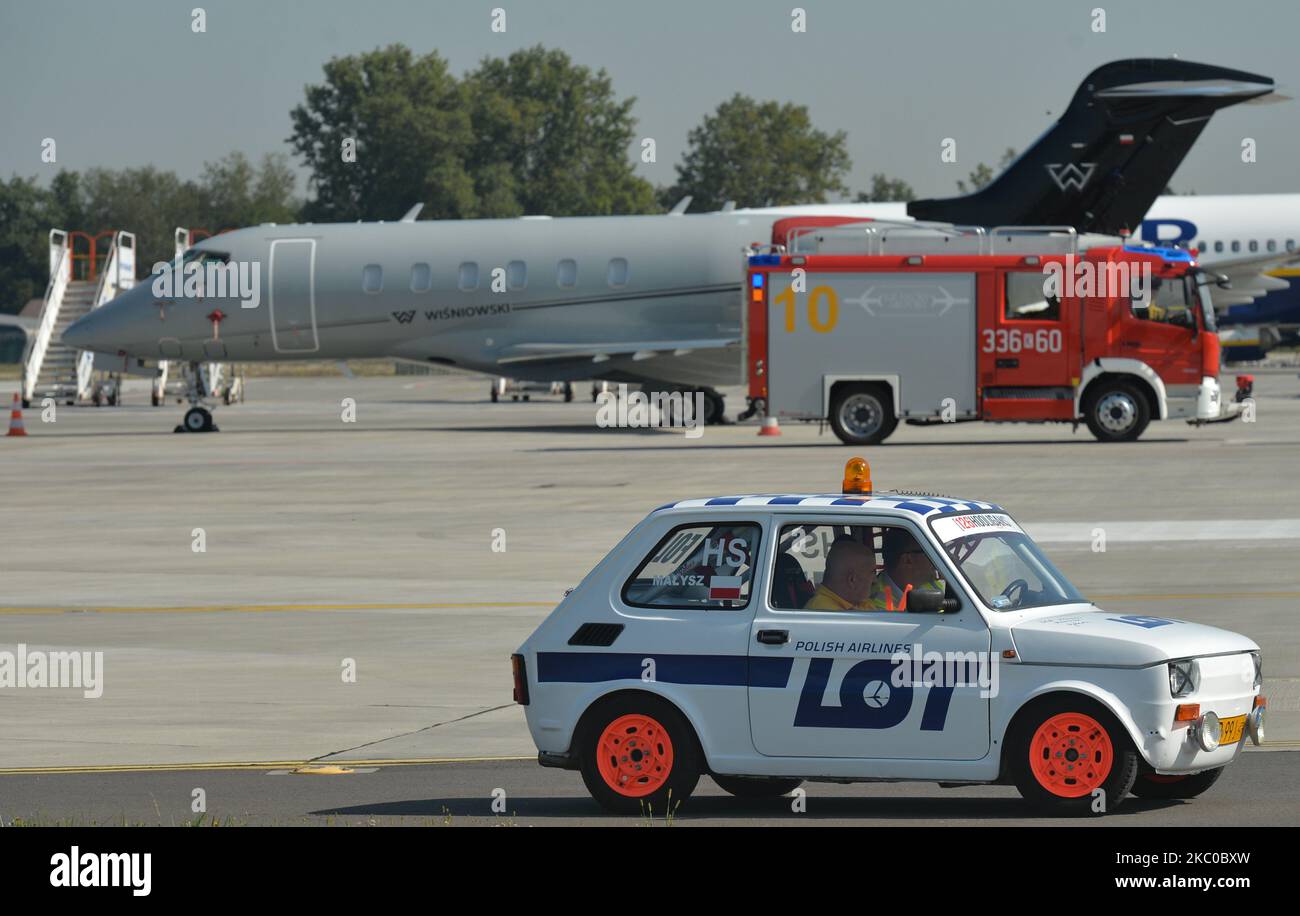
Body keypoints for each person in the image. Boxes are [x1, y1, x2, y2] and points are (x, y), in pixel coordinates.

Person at [871, 528, 943, 611]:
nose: (936, 558)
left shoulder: (930, 583)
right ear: (908, 560)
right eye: (930, 552)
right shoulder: (875, 605)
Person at [804, 539, 884, 611]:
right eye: (872, 573)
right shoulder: (824, 613)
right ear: (852, 580)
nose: (875, 580)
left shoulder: (860, 602)